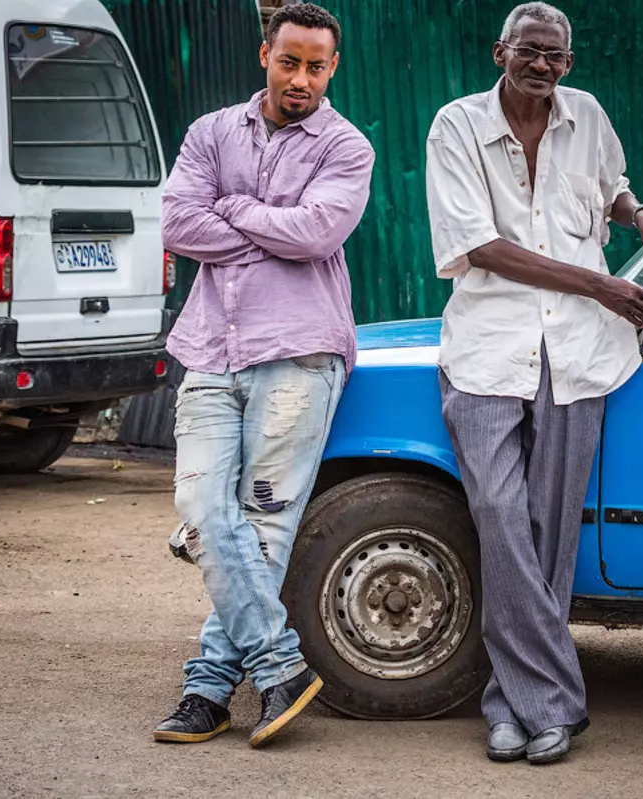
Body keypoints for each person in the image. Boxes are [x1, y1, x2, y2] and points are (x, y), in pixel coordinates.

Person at [424, 1, 643, 765]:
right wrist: (601, 286)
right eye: (529, 52)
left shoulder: (588, 116)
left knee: (549, 532)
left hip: (577, 354)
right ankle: (557, 702)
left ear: (568, 62)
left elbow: (612, 187)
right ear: (500, 50)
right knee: (499, 515)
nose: (542, 66)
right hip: (486, 347)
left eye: (556, 57)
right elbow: (481, 245)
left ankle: (509, 706)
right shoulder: (456, 126)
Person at [152, 2, 374, 748]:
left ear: (332, 68)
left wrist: (235, 209)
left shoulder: (347, 147)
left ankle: (207, 689)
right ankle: (279, 666)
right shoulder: (212, 132)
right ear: (264, 56)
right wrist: (270, 228)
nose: (302, 78)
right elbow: (179, 223)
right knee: (202, 509)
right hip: (212, 349)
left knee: (264, 525)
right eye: (290, 62)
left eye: (316, 66)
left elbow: (318, 233)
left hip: (300, 351)